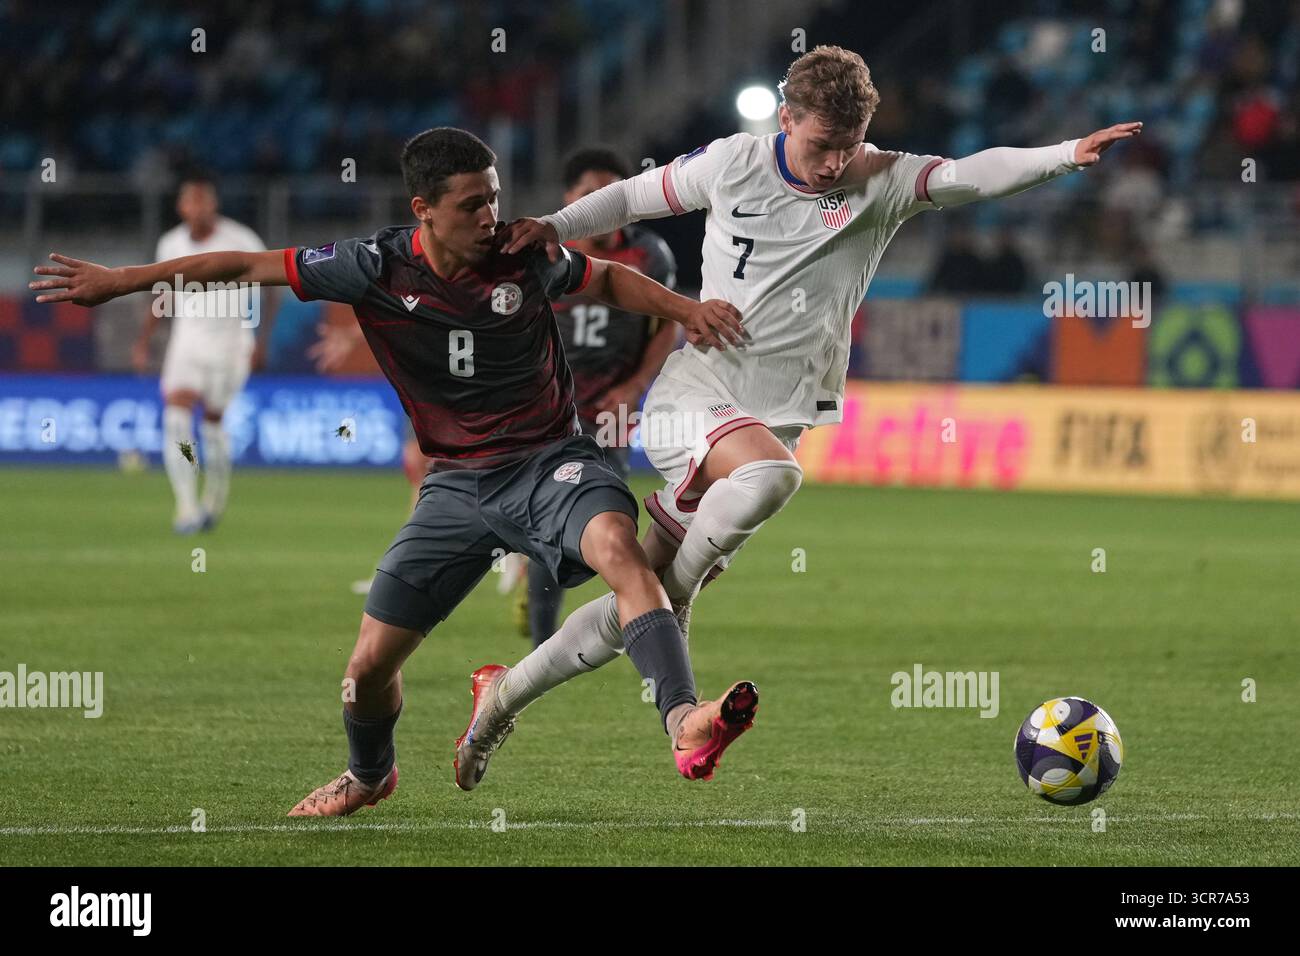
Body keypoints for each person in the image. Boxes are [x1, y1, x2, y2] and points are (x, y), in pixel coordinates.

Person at [30, 127, 757, 815]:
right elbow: (243, 267)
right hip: (454, 487)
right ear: (424, 211)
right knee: (367, 670)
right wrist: (125, 279)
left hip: (550, 462)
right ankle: (370, 774)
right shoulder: (373, 265)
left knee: (619, 551)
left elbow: (605, 280)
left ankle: (682, 718)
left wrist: (684, 308)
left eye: (494, 198)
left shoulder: (523, 252)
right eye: (472, 204)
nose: (490, 217)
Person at [480, 45, 1141, 786]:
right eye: (823, 145)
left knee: (641, 601)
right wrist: (556, 223)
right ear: (787, 117)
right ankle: (678, 612)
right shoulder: (733, 161)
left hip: (774, 418)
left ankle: (501, 697)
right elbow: (633, 197)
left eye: (849, 145)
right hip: (694, 398)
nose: (834, 164)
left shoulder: (881, 179)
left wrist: (1064, 154)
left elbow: (967, 176)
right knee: (769, 478)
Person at [506, 147, 681, 649]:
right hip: (547, 408)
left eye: (610, 195)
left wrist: (634, 386)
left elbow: (663, 325)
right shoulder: (540, 253)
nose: (600, 204)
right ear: (569, 199)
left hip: (612, 407)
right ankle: (544, 640)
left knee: (607, 515)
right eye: (589, 194)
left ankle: (616, 615)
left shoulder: (650, 254)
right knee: (551, 518)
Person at [133, 171, 274, 533]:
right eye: (191, 200)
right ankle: (185, 507)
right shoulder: (170, 244)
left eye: (204, 199)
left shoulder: (241, 238)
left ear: (214, 204)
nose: (198, 207)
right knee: (177, 416)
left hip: (230, 343)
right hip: (186, 342)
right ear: (181, 206)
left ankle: (214, 495)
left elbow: (273, 286)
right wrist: (144, 341)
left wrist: (260, 340)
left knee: (213, 425)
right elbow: (160, 293)